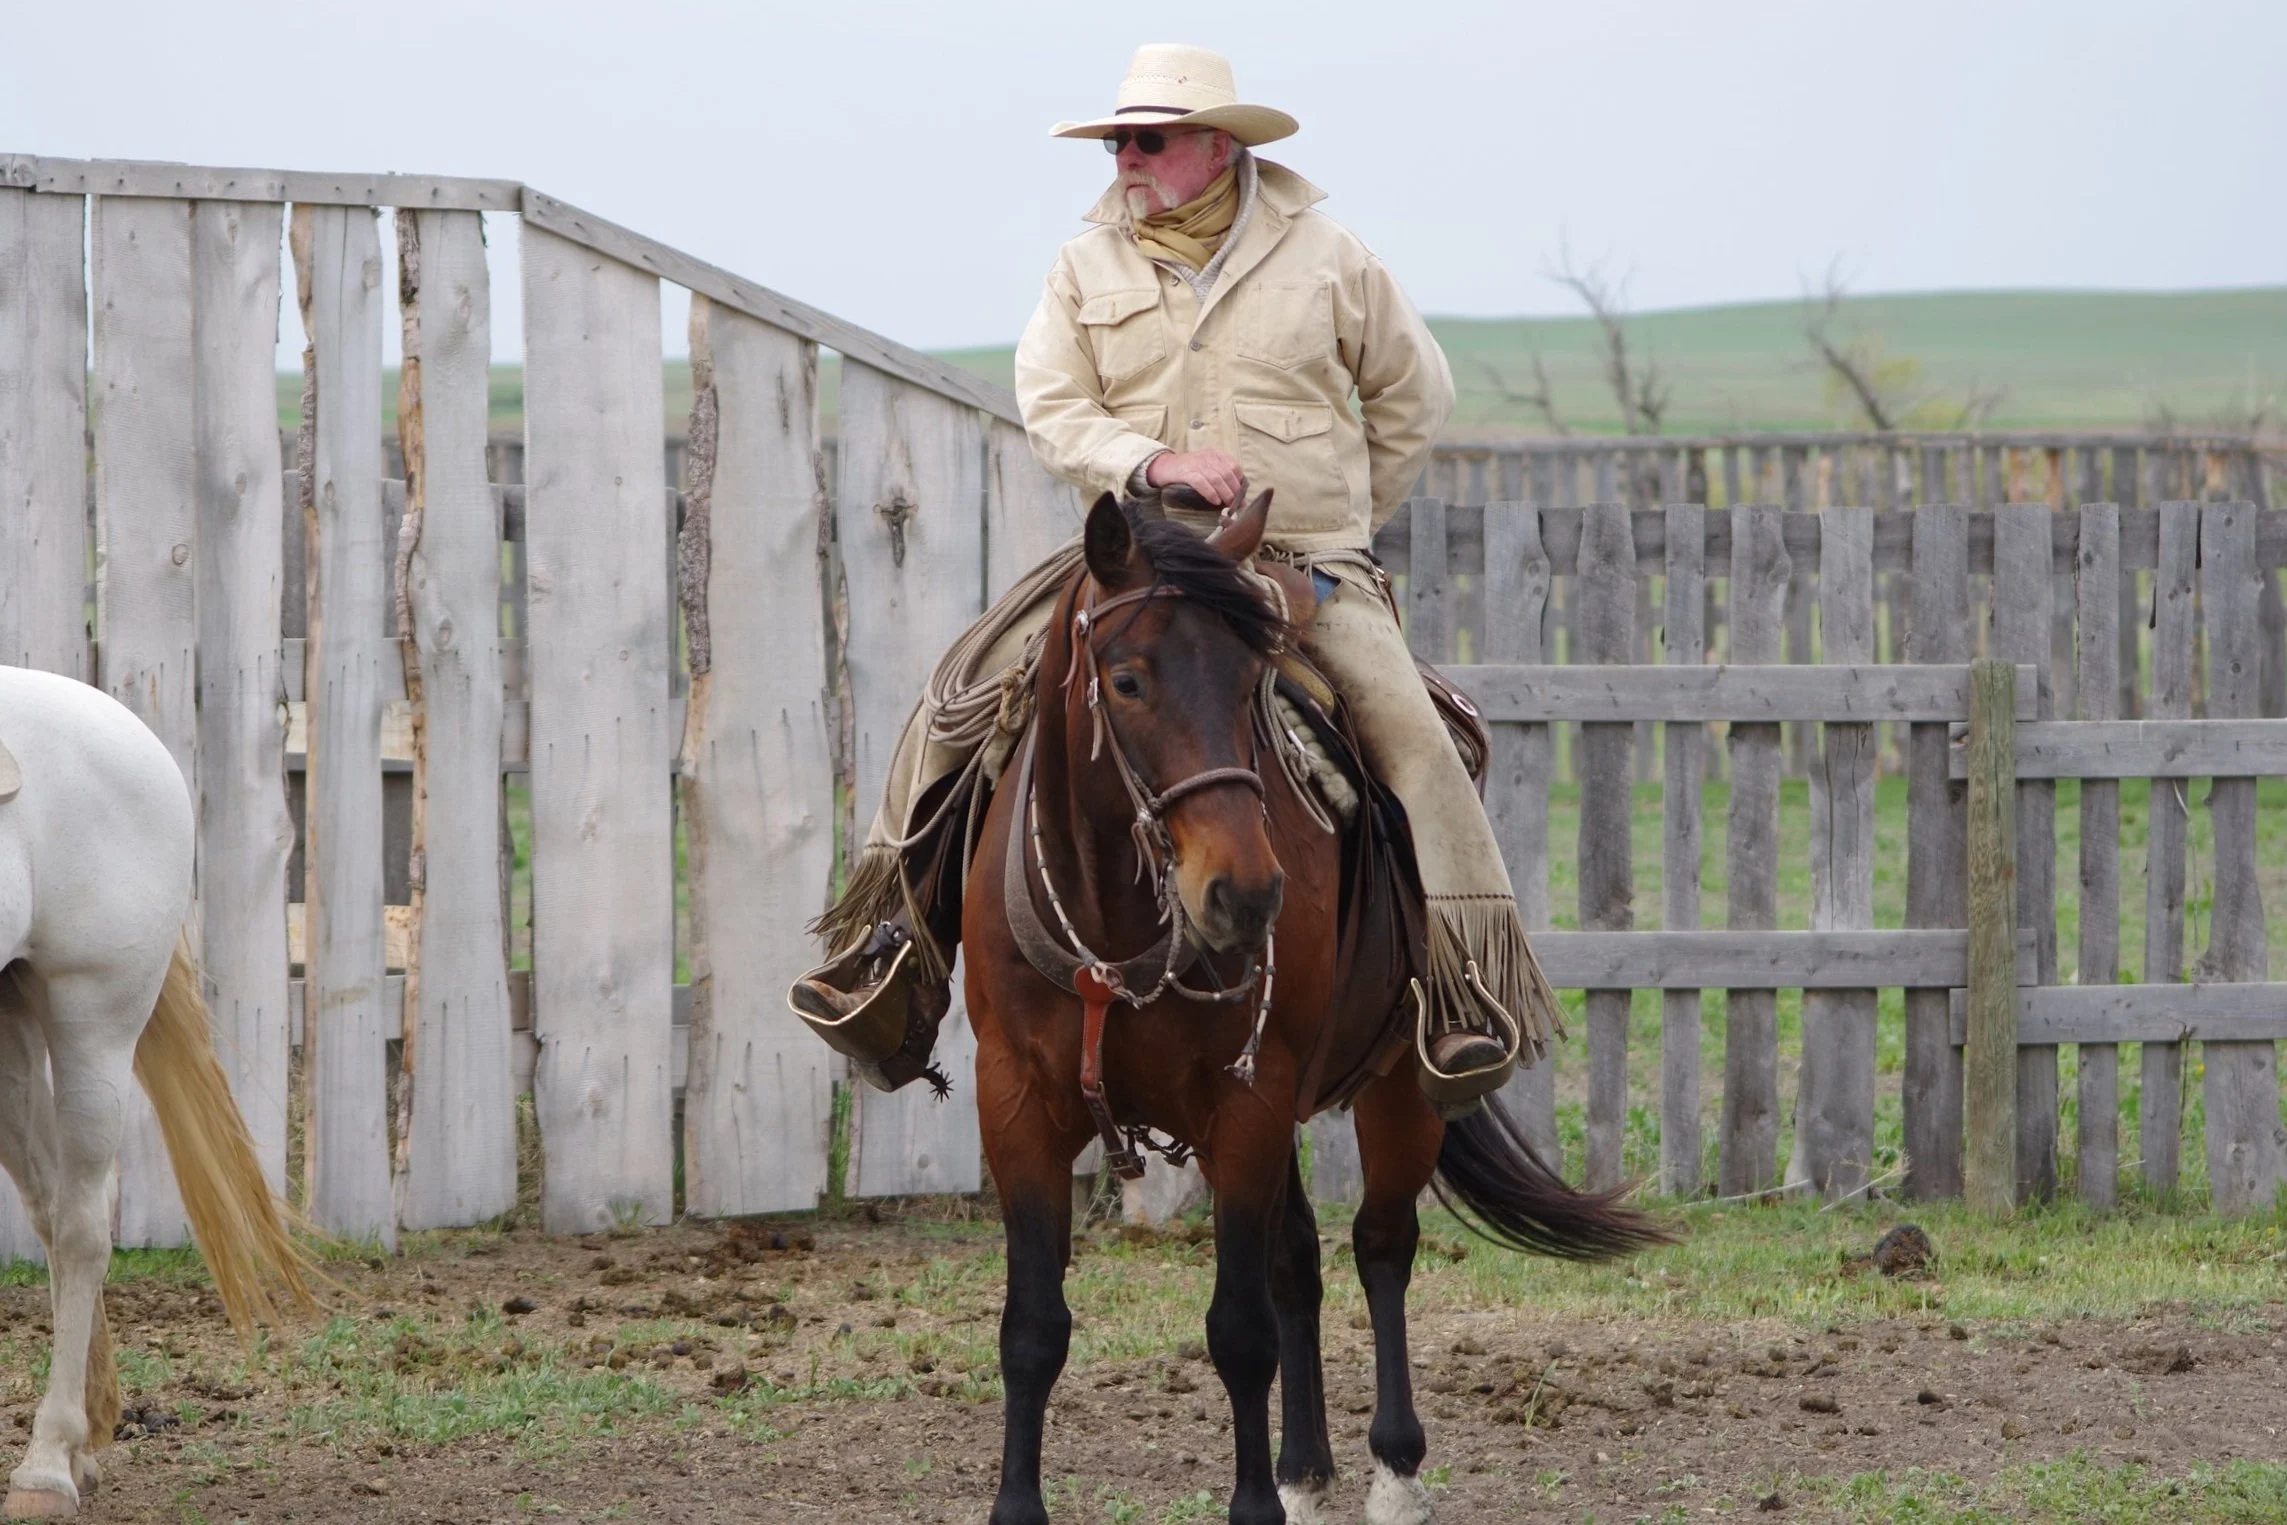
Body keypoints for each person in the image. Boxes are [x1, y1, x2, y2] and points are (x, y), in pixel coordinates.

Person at [790, 43, 1557, 1115]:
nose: (1124, 159)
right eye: (1115, 140)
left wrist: (1338, 524)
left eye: (1147, 140)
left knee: (1417, 740)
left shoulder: (1327, 255)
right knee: (957, 701)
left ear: (1217, 147)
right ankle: (891, 958)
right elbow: (1054, 406)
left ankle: (1464, 994)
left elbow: (1411, 396)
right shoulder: (1081, 266)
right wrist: (1148, 468)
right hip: (1136, 559)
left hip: (1295, 564)